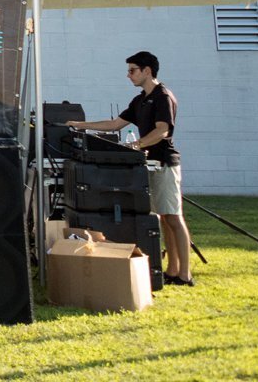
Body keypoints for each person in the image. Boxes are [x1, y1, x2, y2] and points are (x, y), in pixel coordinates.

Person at [67, 50, 194, 286]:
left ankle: (185, 274)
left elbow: (162, 130)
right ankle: (172, 270)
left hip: (165, 163)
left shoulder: (162, 96)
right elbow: (115, 124)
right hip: (149, 165)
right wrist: (78, 125)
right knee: (163, 219)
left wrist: (136, 144)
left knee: (174, 218)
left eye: (132, 70)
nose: (129, 75)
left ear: (147, 71)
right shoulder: (140, 100)